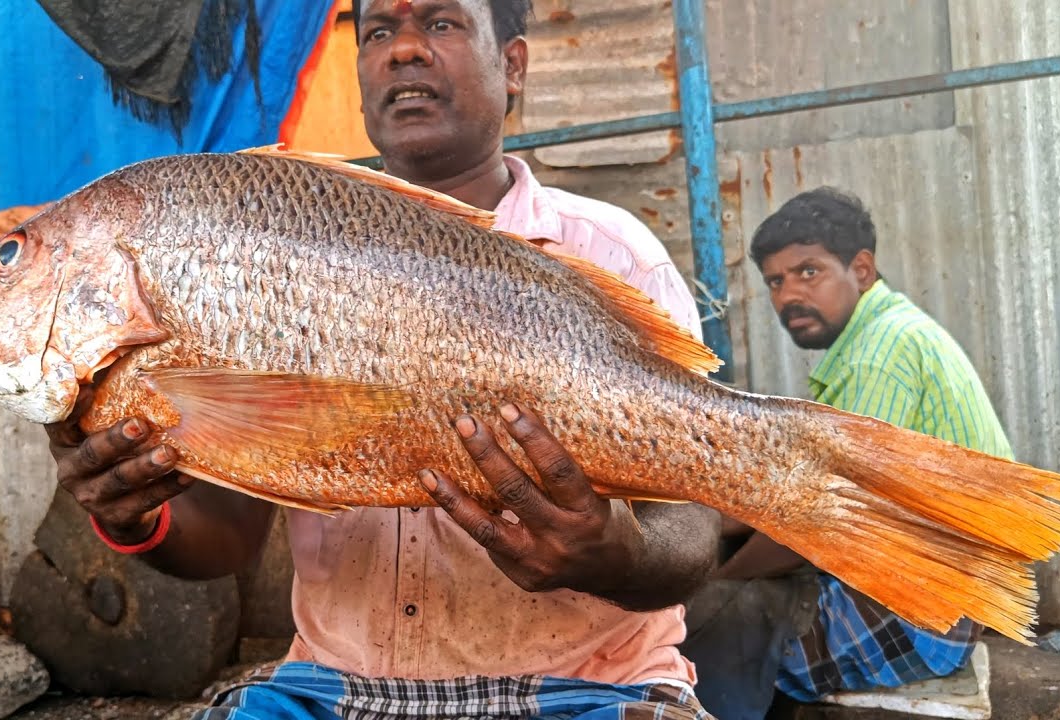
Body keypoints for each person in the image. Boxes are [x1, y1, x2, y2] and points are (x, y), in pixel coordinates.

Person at [47, 1, 720, 717]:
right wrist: (135, 519)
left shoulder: (610, 257)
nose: (403, 50)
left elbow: (695, 522)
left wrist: (618, 560)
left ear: (513, 65)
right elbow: (230, 538)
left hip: (585, 689)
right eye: (376, 32)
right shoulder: (271, 258)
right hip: (333, 692)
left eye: (440, 23)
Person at [681, 187, 1014, 720]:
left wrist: (718, 580)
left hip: (923, 619)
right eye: (775, 280)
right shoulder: (877, 338)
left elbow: (815, 525)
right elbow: (792, 495)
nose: (789, 294)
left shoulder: (879, 357)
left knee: (701, 625)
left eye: (808, 272)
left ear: (860, 269)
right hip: (923, 594)